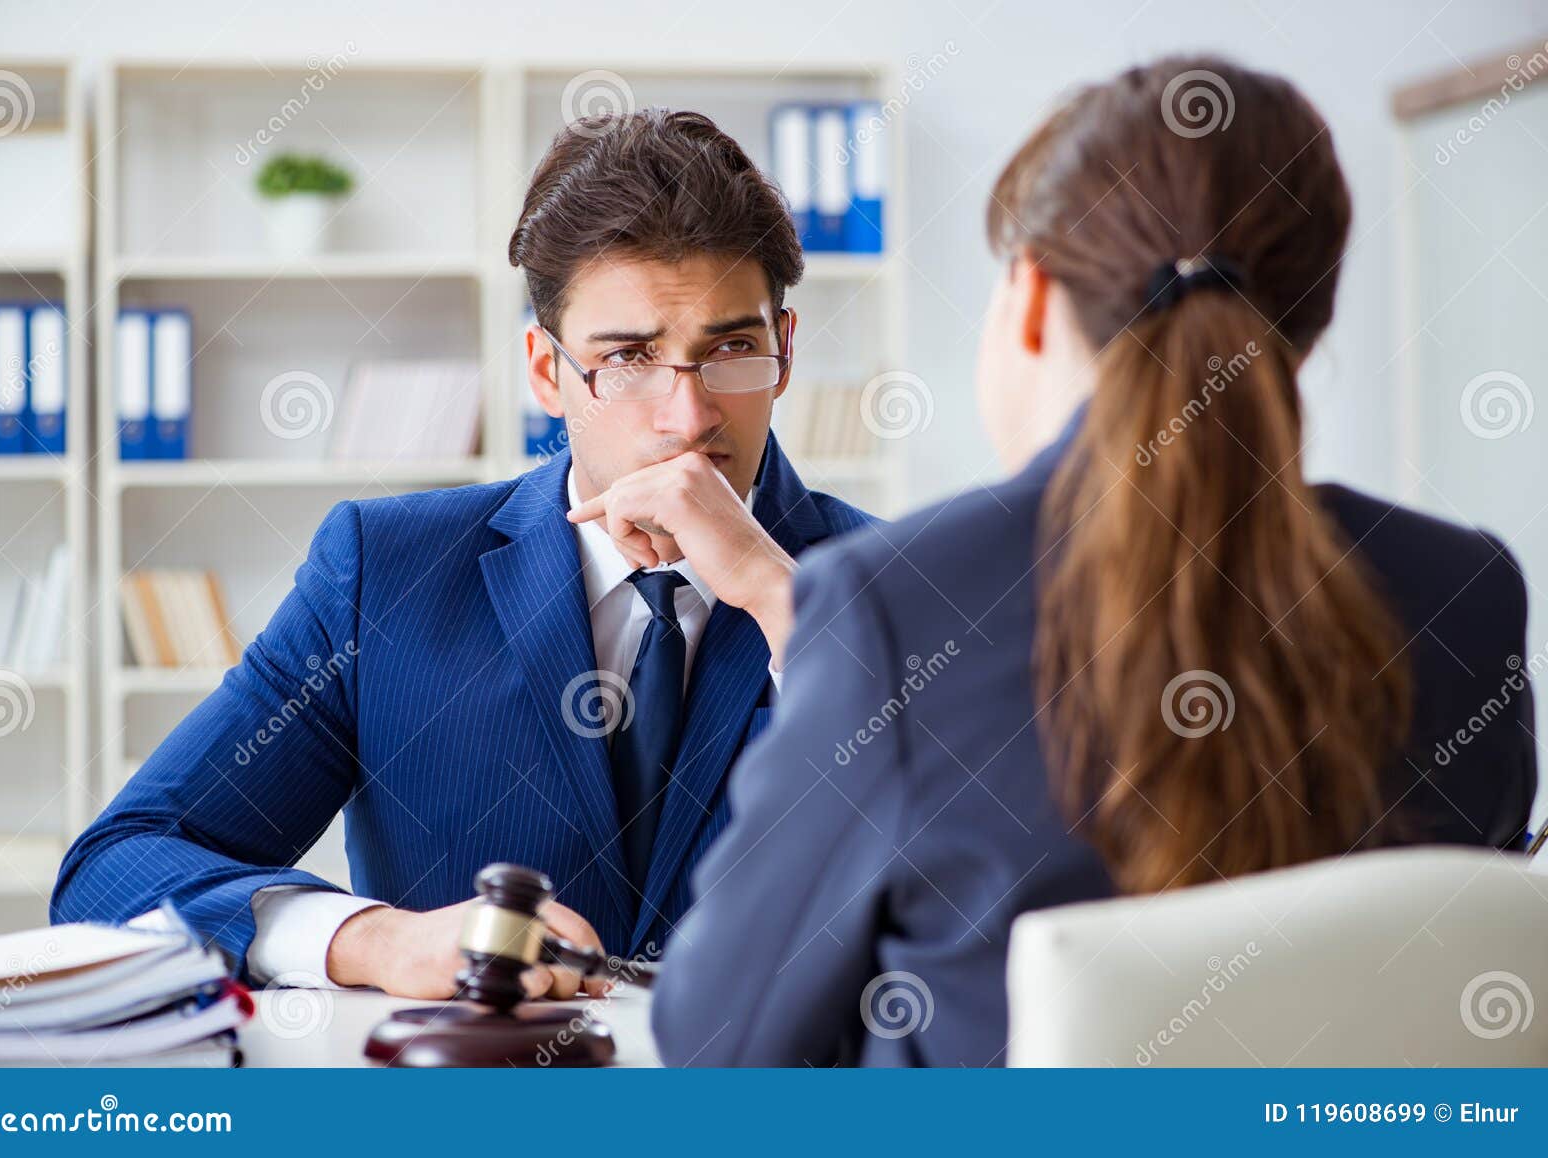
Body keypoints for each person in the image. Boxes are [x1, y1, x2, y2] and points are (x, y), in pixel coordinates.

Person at [651, 56, 1537, 1066]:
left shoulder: (896, 607)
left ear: (1028, 295)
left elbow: (719, 1045)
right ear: (1312, 320)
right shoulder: (1465, 597)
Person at [52, 109, 875, 1000]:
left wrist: (775, 595)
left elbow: (1007, 889)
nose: (688, 418)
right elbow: (114, 871)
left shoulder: (904, 580)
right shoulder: (386, 575)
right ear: (543, 370)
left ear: (784, 352)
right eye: (629, 358)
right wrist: (371, 943)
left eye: (732, 350)